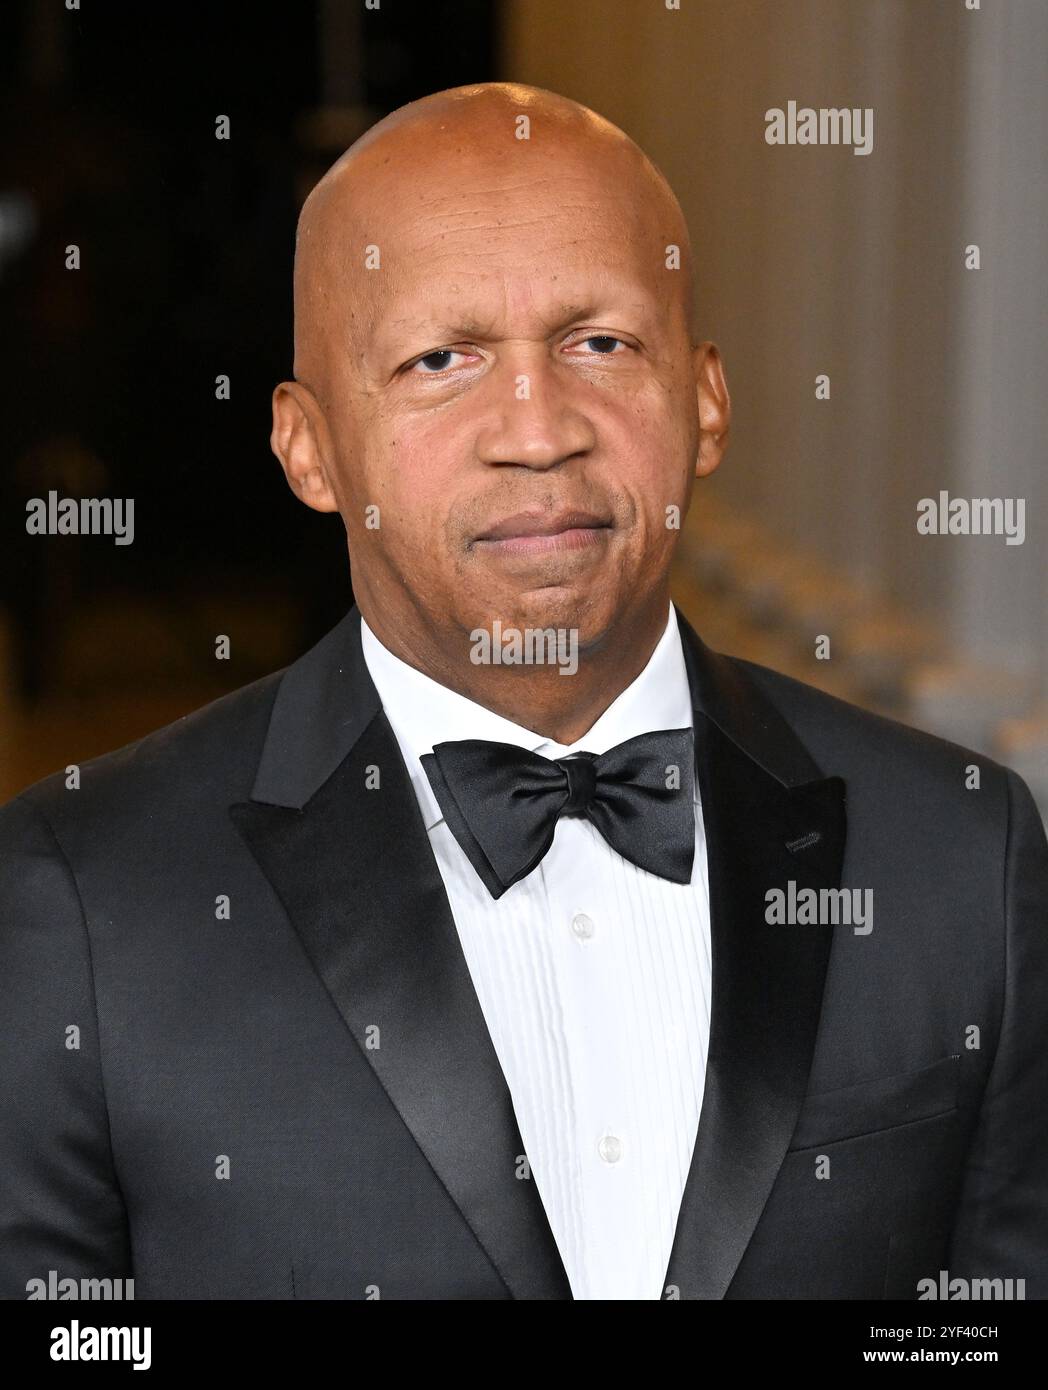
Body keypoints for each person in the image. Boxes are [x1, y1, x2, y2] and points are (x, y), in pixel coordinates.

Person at [1, 82, 1045, 1302]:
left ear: (705, 400)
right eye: (441, 360)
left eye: (600, 343)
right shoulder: (77, 901)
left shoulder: (959, 852)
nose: (538, 430)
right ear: (309, 448)